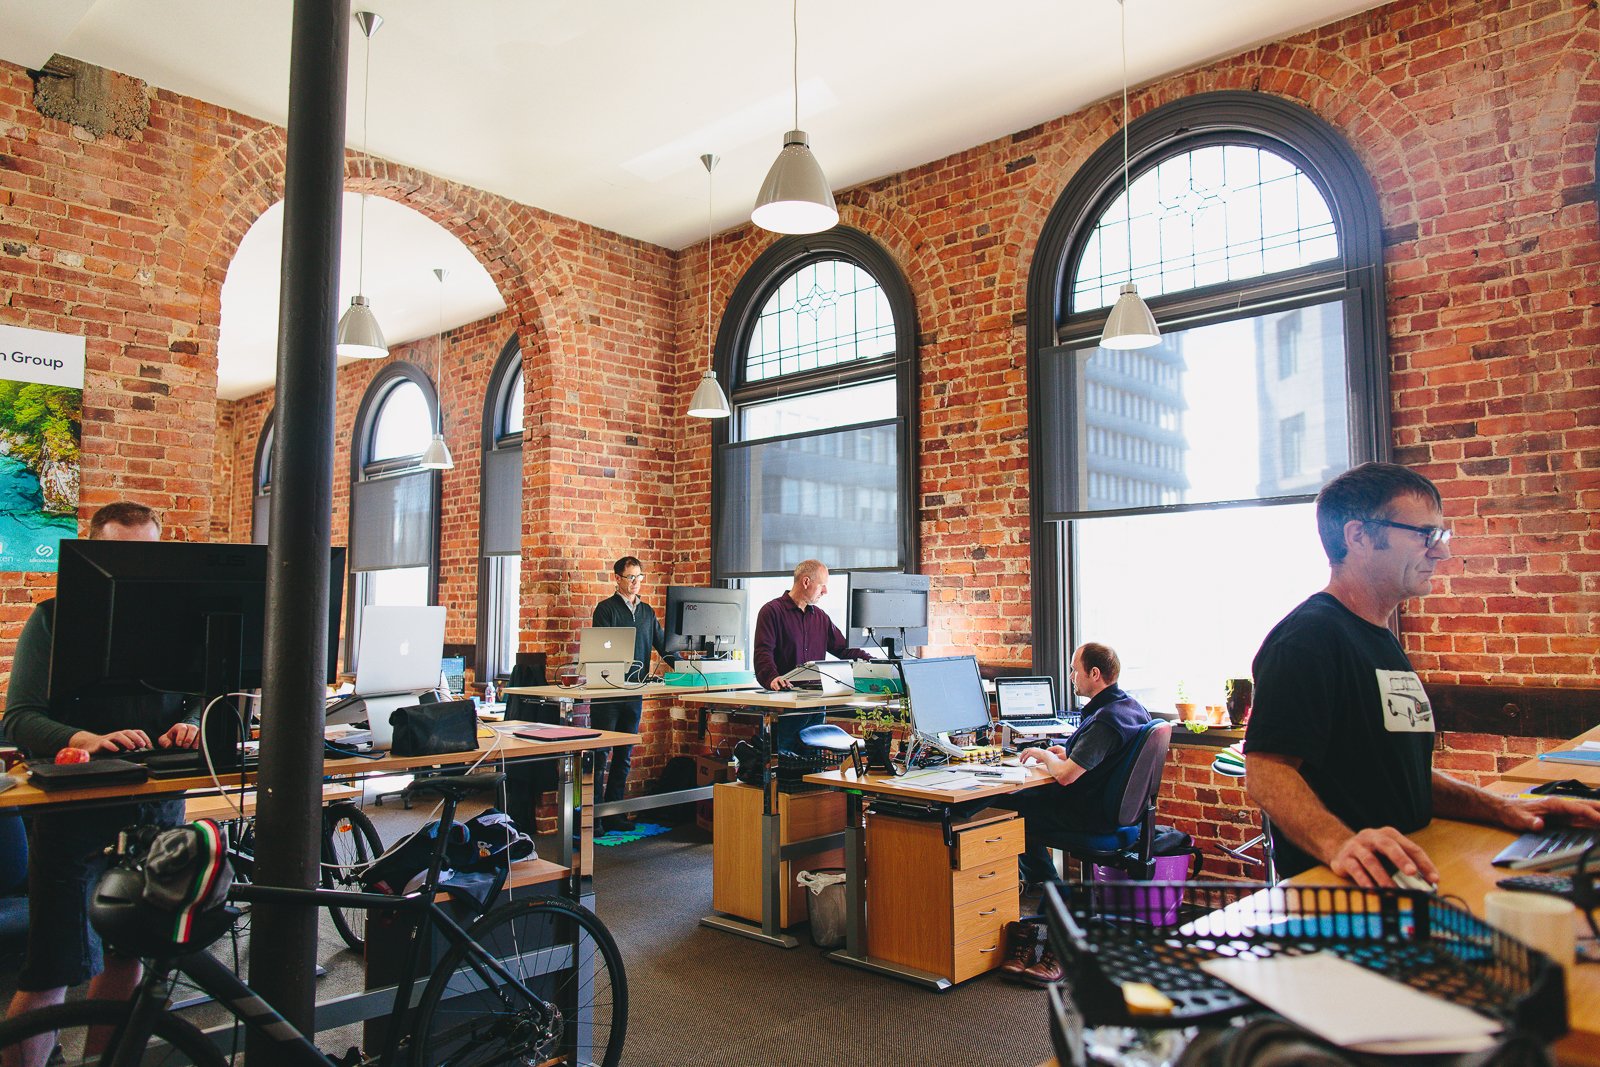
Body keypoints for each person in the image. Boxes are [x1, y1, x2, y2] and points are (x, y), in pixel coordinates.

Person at [1246, 462, 1600, 886]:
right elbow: (1267, 772)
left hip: (1406, 875)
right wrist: (1340, 844)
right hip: (1337, 890)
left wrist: (1504, 808)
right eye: (1425, 535)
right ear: (1358, 535)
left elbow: (1401, 774)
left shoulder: (1378, 636)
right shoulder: (1308, 639)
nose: (1442, 552)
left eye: (1442, 535)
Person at [2, 501, 201, 1067]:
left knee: (129, 959)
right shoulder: (52, 619)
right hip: (76, 813)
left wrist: (196, 718)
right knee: (55, 967)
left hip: (157, 810)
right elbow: (18, 719)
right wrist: (85, 736)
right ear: (93, 554)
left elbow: (209, 693)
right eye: (122, 554)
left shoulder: (178, 624)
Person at [1004, 643, 1152, 886]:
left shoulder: (1106, 720)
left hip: (1090, 814)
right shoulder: (1130, 707)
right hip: (1120, 815)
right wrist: (1069, 752)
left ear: (1094, 674)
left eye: (1075, 670)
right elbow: (1111, 758)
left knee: (1008, 810)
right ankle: (1049, 891)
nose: (1071, 677)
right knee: (1021, 801)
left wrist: (1044, 756)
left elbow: (1065, 776)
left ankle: (1051, 893)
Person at [751, 560, 867, 753]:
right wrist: (772, 678)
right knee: (786, 766)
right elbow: (763, 653)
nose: (825, 591)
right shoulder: (771, 612)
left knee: (814, 765)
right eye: (822, 585)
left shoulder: (820, 617)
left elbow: (843, 649)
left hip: (815, 705)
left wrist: (874, 661)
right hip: (787, 706)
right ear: (806, 582)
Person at [588, 555, 667, 832]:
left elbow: (663, 644)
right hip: (608, 693)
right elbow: (601, 650)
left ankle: (615, 813)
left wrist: (686, 662)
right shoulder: (606, 609)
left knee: (624, 754)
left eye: (639, 577)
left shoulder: (647, 612)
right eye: (630, 577)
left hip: (635, 691)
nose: (635, 583)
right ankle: (595, 817)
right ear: (617, 579)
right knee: (601, 755)